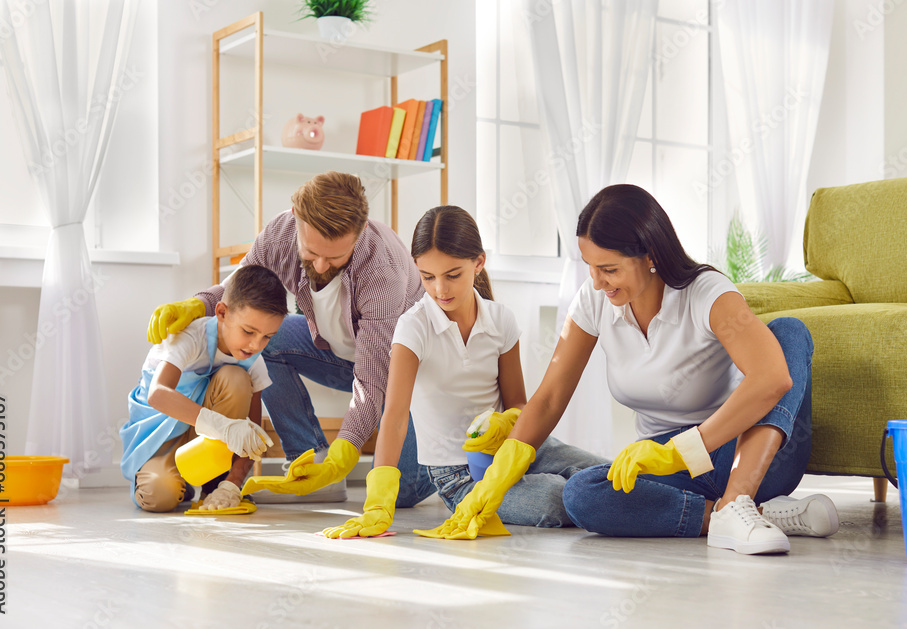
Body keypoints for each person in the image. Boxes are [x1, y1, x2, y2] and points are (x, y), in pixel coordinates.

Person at [424, 184, 839, 554]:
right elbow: (549, 398)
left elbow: (772, 379)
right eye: (590, 267)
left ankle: (738, 499)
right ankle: (741, 516)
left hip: (746, 450)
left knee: (789, 332)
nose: (597, 282)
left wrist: (678, 451)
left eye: (609, 269)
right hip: (670, 469)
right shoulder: (595, 300)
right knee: (583, 493)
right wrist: (496, 480)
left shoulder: (706, 293)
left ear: (651, 255)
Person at [146, 172, 435, 506]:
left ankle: (447, 462)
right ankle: (308, 460)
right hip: (341, 355)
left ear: (361, 231)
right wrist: (198, 304)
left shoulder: (382, 270)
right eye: (311, 253)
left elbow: (373, 378)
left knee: (402, 492)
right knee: (265, 337)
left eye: (335, 257)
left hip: (402, 374)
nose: (322, 266)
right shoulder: (281, 233)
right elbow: (239, 286)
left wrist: (344, 453)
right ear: (296, 218)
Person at [321, 206, 608, 539]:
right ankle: (574, 493)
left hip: (513, 447)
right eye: (428, 277)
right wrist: (377, 502)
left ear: (478, 263)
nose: (440, 289)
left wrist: (505, 423)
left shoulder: (501, 320)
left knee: (607, 472)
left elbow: (518, 403)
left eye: (453, 275)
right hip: (458, 476)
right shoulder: (413, 327)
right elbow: (395, 418)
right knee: (555, 500)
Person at [120, 265, 287, 512]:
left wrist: (232, 483)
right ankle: (175, 478)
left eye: (267, 337)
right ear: (221, 312)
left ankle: (215, 483)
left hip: (203, 443)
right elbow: (157, 395)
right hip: (160, 438)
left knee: (236, 378)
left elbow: (250, 436)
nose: (255, 345)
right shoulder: (189, 337)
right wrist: (223, 427)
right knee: (159, 496)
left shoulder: (253, 362)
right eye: (248, 331)